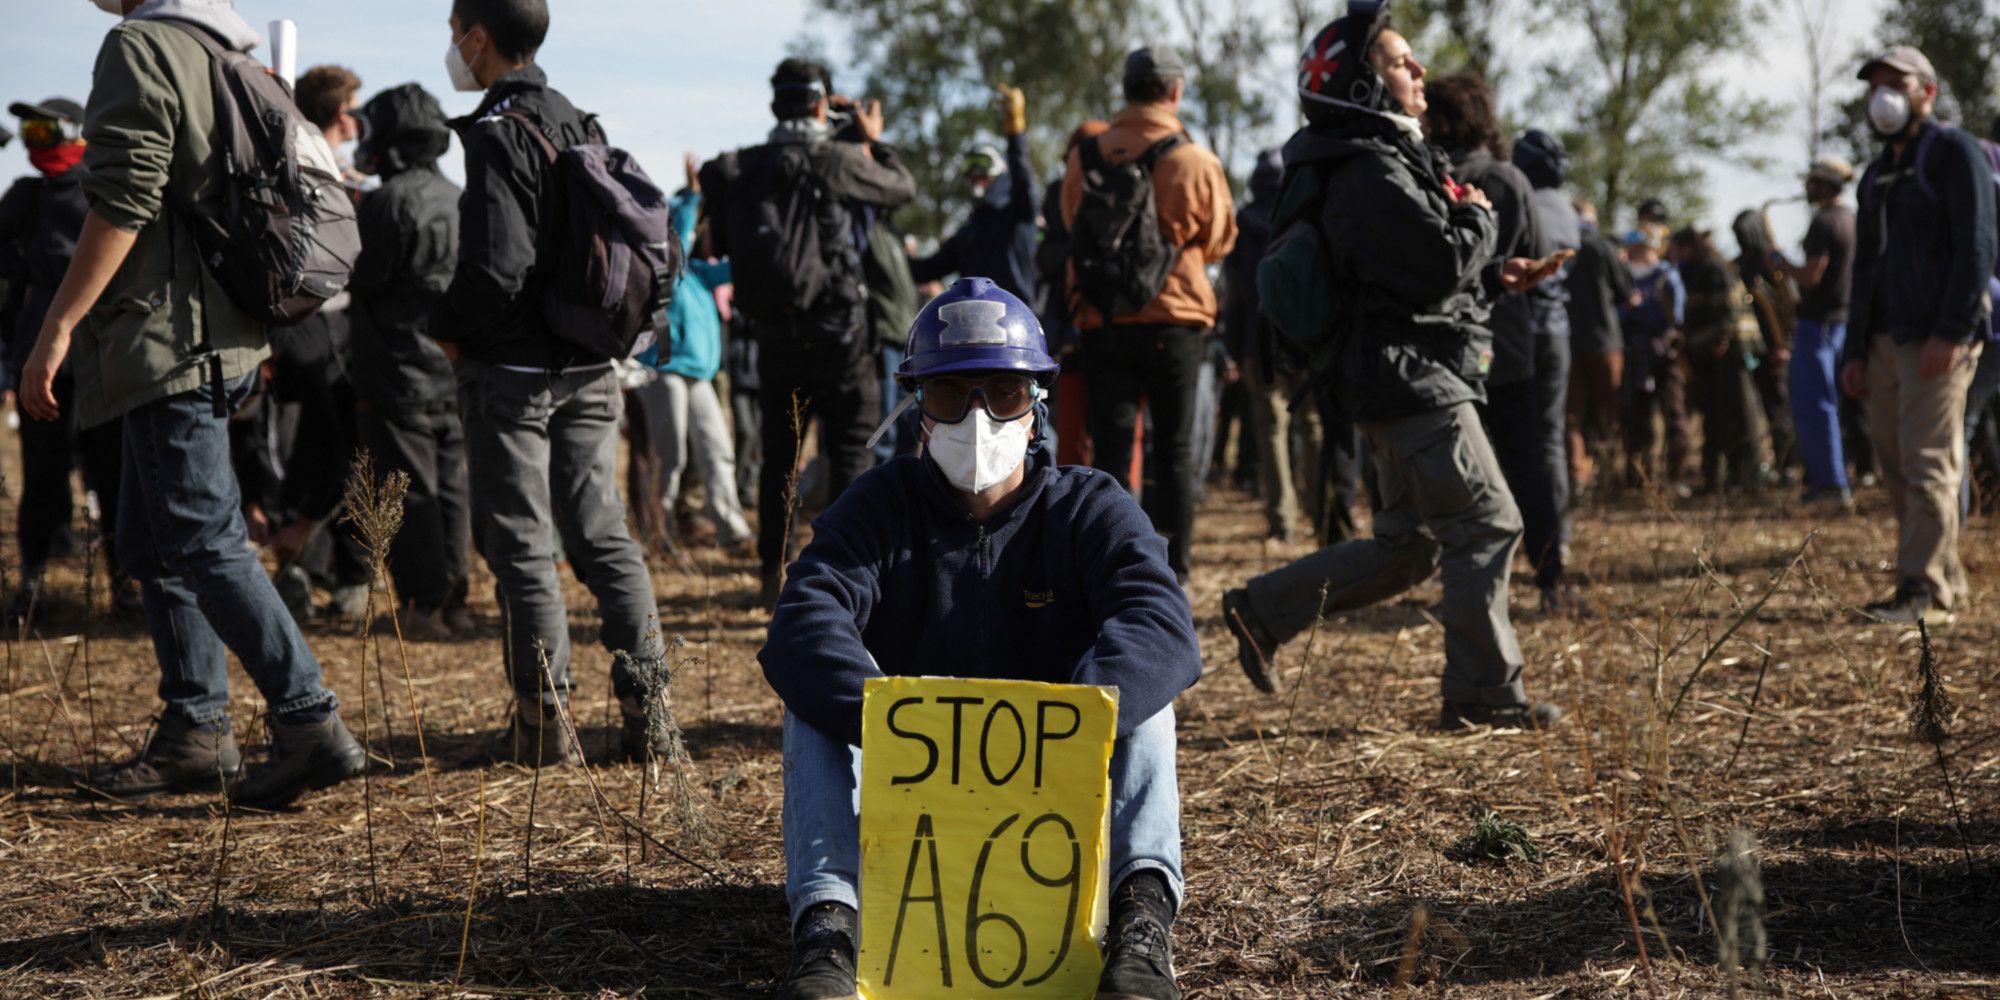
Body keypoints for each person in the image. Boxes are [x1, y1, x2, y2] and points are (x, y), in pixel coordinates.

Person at [760, 278, 1199, 1000]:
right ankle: (828, 929)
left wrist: (1070, 722)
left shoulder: (1090, 506)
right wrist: (900, 722)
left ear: (1036, 406)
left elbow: (1161, 624)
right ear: (917, 410)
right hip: (909, 810)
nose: (977, 416)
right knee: (808, 704)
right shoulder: (880, 505)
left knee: (1146, 700)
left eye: (1003, 393)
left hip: (1060, 813)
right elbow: (804, 622)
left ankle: (1142, 920)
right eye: (949, 394)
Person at [27, 0, 362, 808]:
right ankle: (196, 729)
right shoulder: (224, 50)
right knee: (152, 541)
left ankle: (308, 719)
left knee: (204, 542)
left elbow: (124, 197)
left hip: (168, 339)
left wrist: (58, 326)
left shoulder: (141, 43)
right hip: (223, 334)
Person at [1221, 1, 1563, 731]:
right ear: (1363, 83)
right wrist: (1479, 218)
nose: (1420, 70)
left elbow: (1401, 279)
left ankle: (1263, 611)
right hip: (1413, 382)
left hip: (1398, 376)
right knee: (1488, 524)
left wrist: (1494, 275)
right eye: (1401, 61)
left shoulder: (1375, 158)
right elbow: (1435, 262)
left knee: (1410, 549)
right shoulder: (1370, 167)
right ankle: (1483, 696)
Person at [428, 0, 668, 763]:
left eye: (453, 35)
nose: (452, 49)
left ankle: (543, 729)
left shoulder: (499, 133)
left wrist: (445, 326)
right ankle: (651, 714)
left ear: (478, 39)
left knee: (524, 546)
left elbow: (498, 267)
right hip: (590, 363)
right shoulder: (579, 121)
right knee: (603, 535)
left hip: (513, 375)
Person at [703, 57, 917, 603]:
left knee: (780, 458)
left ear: (775, 105)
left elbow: (716, 244)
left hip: (774, 336)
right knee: (849, 452)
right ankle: (842, 576)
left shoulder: (741, 167)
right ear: (822, 106)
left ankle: (771, 575)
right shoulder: (833, 160)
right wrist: (874, 139)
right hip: (839, 336)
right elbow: (901, 189)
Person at [1062, 45, 1237, 583]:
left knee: (1111, 453)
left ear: (1126, 89)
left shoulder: (1085, 156)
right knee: (1175, 453)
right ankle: (1172, 575)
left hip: (1103, 320)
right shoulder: (1195, 160)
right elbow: (1220, 240)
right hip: (1174, 320)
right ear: (1175, 91)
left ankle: (1111, 568)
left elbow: (1071, 225)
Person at [1840, 45, 1995, 622]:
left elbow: (1978, 246)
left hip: (1937, 339)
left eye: (1895, 83)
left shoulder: (1955, 152)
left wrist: (1951, 332)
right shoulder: (1877, 174)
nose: (1882, 95)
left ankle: (1922, 591)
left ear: (1927, 91)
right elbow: (1865, 269)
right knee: (1896, 462)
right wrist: (1855, 349)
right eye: (1874, 85)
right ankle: (1942, 578)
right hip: (1884, 340)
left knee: (1928, 462)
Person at [344, 82, 472, 641]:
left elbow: (362, 276)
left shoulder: (387, 202)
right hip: (450, 366)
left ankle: (423, 606)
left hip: (398, 370)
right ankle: (455, 601)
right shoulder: (461, 197)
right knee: (451, 487)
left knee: (409, 488)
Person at [0, 96, 130, 624]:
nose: (35, 143)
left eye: (44, 131)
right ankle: (32, 585)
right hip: (41, 363)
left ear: (79, 134)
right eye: (27, 133)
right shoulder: (25, 198)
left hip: (106, 359)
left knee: (114, 475)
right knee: (42, 475)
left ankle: (126, 586)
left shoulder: (107, 193)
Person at [261, 64, 372, 624]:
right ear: (341, 114)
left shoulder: (351, 178)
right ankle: (299, 567)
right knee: (302, 444)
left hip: (344, 330)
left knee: (349, 448)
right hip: (299, 327)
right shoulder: (290, 168)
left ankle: (349, 572)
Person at [632, 155, 752, 554]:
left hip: (699, 375)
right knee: (671, 458)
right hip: (665, 370)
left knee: (718, 451)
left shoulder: (700, 274)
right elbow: (678, 243)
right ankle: (660, 536)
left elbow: (742, 263)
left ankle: (733, 531)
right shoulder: (666, 268)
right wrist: (694, 196)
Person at [1224, 149, 1322, 542]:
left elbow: (1235, 292)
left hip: (1258, 340)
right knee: (1313, 426)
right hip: (1307, 338)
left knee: (1272, 431)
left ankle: (1282, 522)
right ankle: (1319, 514)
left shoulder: (1244, 223)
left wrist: (1234, 348)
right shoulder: (1304, 215)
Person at [1511, 127, 1587, 613]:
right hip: (1558, 332)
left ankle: (1535, 544)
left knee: (1521, 443)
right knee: (1553, 438)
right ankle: (1559, 537)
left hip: (1522, 330)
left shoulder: (1522, 200)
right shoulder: (1567, 209)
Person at [1771, 156, 1858, 503]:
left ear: (1825, 185)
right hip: (1838, 322)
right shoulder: (1849, 218)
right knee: (1827, 402)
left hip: (1818, 324)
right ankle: (1832, 478)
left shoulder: (1824, 222)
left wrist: (1779, 263)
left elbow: (1811, 276)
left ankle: (1830, 483)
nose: (1806, 188)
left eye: (1811, 182)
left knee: (1815, 403)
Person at [908, 87, 1037, 302]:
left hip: (1019, 321)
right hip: (974, 321)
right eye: (972, 178)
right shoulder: (967, 234)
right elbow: (925, 270)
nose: (977, 182)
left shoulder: (1019, 214)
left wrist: (1015, 133)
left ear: (1001, 176)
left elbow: (1023, 178)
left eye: (984, 176)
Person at [1674, 227, 1767, 493]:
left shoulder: (1714, 269)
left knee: (1740, 413)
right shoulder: (1700, 270)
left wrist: (1719, 341)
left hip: (1729, 353)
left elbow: (1727, 313)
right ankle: (1720, 477)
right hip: (1714, 354)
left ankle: (1749, 476)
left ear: (1688, 247)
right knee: (1716, 415)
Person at [1564, 198, 1632, 497]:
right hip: (1605, 343)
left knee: (1573, 415)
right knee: (1609, 411)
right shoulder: (1603, 246)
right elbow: (1625, 292)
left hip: (1568, 343)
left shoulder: (1560, 244)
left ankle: (1577, 475)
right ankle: (1610, 476)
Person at [1730, 209, 1798, 486]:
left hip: (1775, 345)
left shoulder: (1772, 261)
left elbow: (1787, 301)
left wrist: (1783, 345)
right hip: (1748, 346)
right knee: (1749, 409)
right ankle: (1755, 467)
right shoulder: (1737, 265)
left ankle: (1787, 465)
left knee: (1779, 407)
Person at [1619, 227, 1691, 489]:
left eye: (1643, 248)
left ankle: (1676, 476)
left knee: (1674, 415)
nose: (1638, 253)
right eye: (1634, 248)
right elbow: (1618, 315)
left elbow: (1676, 318)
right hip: (1635, 356)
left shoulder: (1667, 276)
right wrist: (1629, 310)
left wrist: (1641, 309)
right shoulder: (1625, 277)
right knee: (1636, 418)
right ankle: (1639, 476)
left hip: (1665, 355)